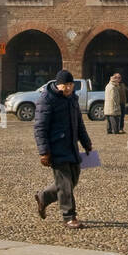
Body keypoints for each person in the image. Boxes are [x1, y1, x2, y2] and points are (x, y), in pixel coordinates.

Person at [32, 70, 93, 228]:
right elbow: (40, 128)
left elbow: (79, 123)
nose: (68, 88)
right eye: (65, 85)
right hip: (56, 147)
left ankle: (43, 196)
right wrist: (44, 152)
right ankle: (69, 216)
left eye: (70, 85)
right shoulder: (47, 99)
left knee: (73, 180)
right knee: (65, 183)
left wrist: (86, 142)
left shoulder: (72, 98)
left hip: (71, 146)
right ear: (57, 84)